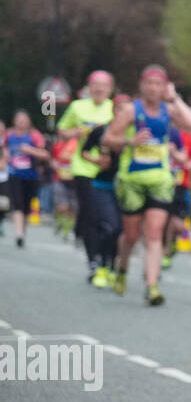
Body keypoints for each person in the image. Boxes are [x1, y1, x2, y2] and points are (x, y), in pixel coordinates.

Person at [104, 67, 191, 304]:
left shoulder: (168, 110)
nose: (153, 88)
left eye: (159, 84)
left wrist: (175, 97)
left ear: (164, 87)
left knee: (154, 233)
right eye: (149, 83)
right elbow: (108, 139)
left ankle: (152, 286)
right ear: (142, 86)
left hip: (160, 180)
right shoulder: (129, 111)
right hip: (132, 181)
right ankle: (122, 268)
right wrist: (130, 140)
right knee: (131, 235)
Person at [57, 70, 118, 277]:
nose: (99, 89)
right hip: (83, 167)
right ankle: (93, 259)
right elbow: (62, 131)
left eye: (104, 85)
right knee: (91, 215)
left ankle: (108, 257)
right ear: (88, 88)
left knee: (109, 220)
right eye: (95, 85)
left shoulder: (116, 109)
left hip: (109, 171)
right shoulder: (77, 107)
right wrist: (75, 132)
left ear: (111, 89)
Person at [79, 94, 132, 287]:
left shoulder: (135, 133)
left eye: (127, 109)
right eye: (119, 109)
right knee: (110, 226)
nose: (123, 113)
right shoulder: (101, 131)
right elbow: (84, 151)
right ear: (113, 110)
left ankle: (112, 266)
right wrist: (96, 160)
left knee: (122, 231)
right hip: (103, 185)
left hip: (127, 187)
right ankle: (100, 265)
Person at [4, 110, 51, 248]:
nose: (21, 122)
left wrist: (30, 150)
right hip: (14, 174)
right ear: (14, 121)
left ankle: (22, 232)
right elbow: (4, 147)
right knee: (17, 203)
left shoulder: (34, 135)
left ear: (29, 121)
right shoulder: (8, 134)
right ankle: (18, 234)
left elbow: (45, 154)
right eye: (19, 119)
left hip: (31, 175)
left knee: (26, 206)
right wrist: (6, 154)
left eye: (24, 120)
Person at [163, 124, 191, 268]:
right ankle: (164, 252)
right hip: (162, 185)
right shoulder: (160, 134)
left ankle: (171, 246)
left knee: (179, 226)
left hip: (181, 185)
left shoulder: (189, 138)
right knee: (163, 221)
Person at [50, 132, 79, 241]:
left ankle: (67, 231)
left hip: (74, 179)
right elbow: (54, 158)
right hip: (60, 178)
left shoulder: (77, 144)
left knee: (72, 208)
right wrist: (54, 164)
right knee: (62, 206)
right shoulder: (58, 145)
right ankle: (59, 222)